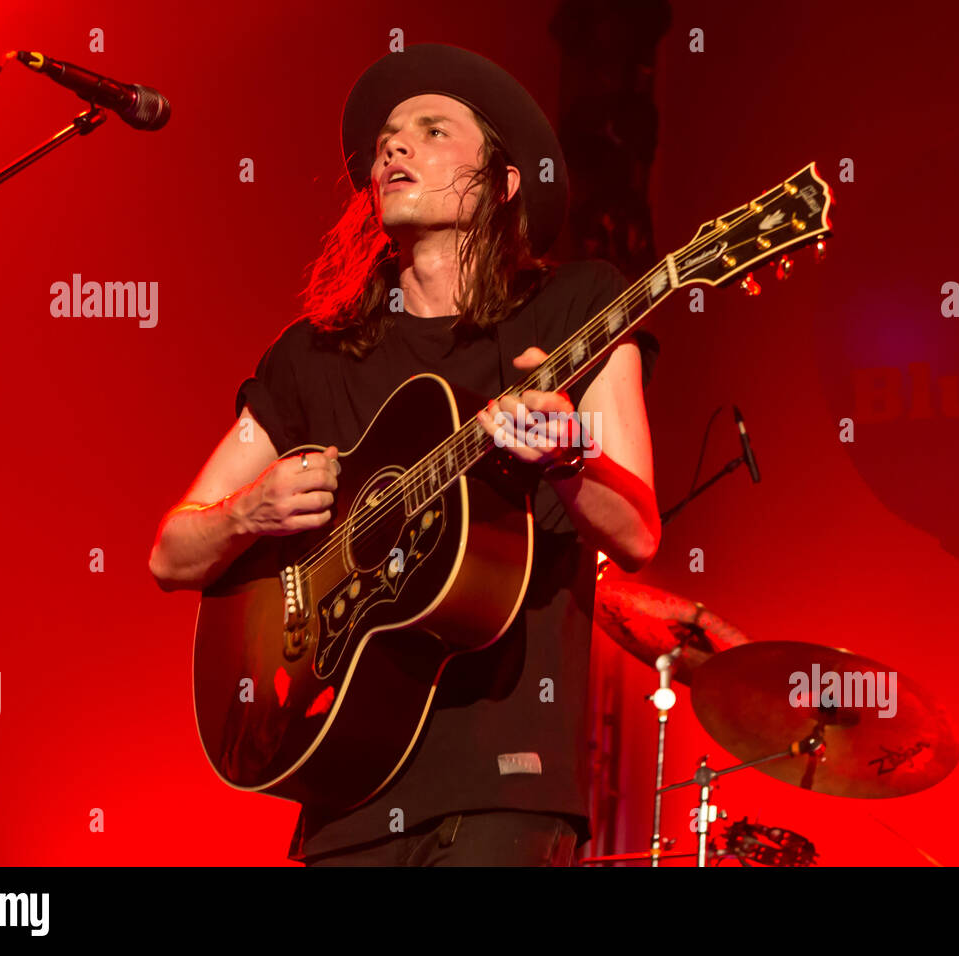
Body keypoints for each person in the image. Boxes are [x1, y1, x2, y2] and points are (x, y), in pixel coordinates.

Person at [147, 43, 661, 866]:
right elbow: (172, 554)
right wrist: (249, 511)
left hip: (504, 789)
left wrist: (570, 461)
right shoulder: (312, 358)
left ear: (502, 183)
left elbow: (636, 534)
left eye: (431, 131)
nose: (394, 148)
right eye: (389, 138)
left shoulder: (577, 306)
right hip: (343, 788)